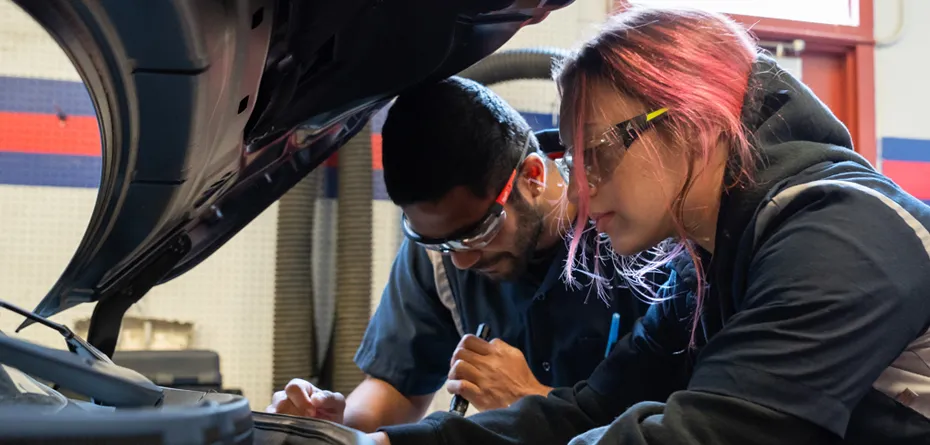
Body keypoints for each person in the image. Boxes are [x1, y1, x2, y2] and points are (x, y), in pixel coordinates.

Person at [365, 6, 930, 445]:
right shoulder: (708, 269)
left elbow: (706, 435)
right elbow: (588, 411)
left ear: (691, 126)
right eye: (574, 161)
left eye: (598, 153)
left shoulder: (838, 236)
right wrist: (384, 439)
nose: (581, 190)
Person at [267, 76, 662, 433]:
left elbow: (684, 421)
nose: (462, 262)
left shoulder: (637, 232)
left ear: (533, 177)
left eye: (479, 233)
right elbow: (397, 387)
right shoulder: (440, 250)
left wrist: (532, 400)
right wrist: (337, 427)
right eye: (440, 243)